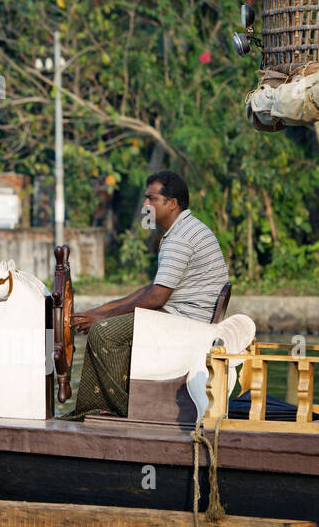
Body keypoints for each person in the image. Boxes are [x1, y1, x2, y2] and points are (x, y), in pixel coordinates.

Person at [66, 170, 229, 419]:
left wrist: (101, 319)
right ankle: (105, 408)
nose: (145, 205)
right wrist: (102, 311)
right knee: (105, 324)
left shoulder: (181, 238)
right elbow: (152, 290)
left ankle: (126, 410)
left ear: (172, 203)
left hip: (186, 323)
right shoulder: (184, 229)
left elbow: (156, 298)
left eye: (151, 199)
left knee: (103, 333)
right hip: (180, 315)